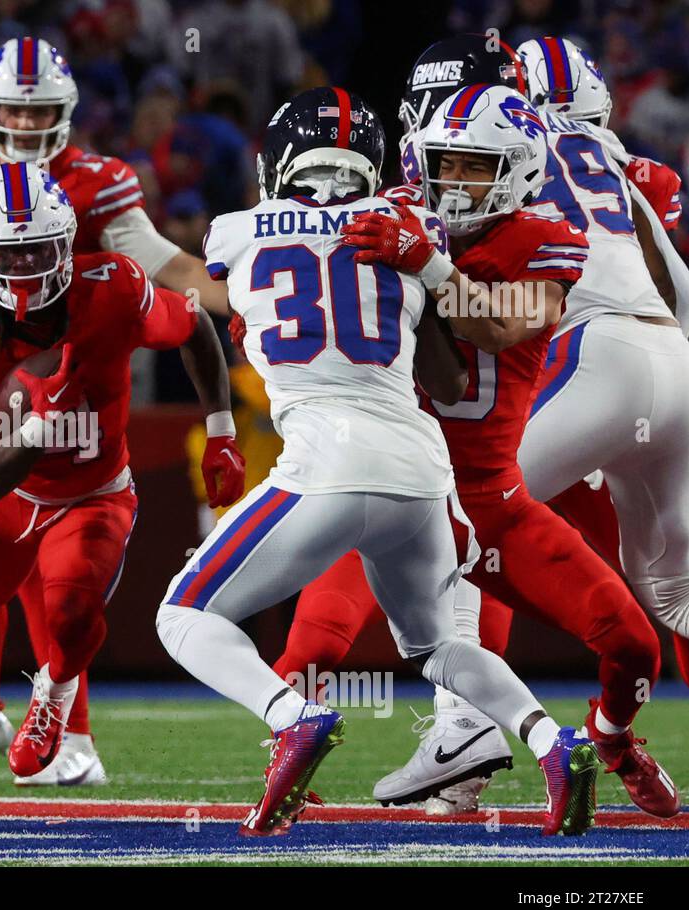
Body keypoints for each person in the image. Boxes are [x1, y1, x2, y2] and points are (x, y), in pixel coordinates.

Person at [157, 86, 600, 839]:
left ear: (280, 162)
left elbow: (201, 293)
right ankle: (555, 741)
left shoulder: (236, 230)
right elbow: (451, 382)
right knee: (436, 646)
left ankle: (291, 717)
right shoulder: (414, 228)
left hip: (324, 465)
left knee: (183, 615)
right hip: (424, 472)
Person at [0, 37, 236, 786]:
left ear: (68, 113)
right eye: (10, 107)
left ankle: (68, 730)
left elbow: (160, 265)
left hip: (69, 378)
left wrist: (244, 298)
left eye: (39, 109)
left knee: (53, 577)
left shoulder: (96, 183)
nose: (22, 122)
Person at [516, 37, 689, 698]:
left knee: (462, 513)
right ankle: (614, 730)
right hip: (672, 362)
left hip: (588, 361)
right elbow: (682, 291)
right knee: (679, 593)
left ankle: (464, 730)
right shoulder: (618, 160)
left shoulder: (501, 143)